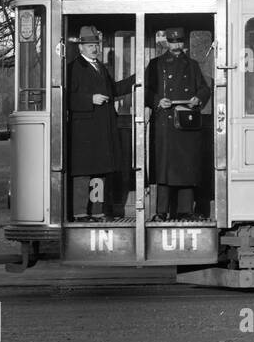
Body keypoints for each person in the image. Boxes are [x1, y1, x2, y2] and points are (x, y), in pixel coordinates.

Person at [67, 26, 135, 220]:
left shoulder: (100, 67)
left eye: (96, 45)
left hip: (101, 128)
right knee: (83, 172)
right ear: (81, 48)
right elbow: (64, 98)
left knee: (100, 171)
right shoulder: (73, 68)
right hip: (84, 131)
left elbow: (112, 90)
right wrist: (90, 99)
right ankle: (80, 213)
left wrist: (136, 79)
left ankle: (97, 212)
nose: (94, 49)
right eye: (89, 46)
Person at [145, 26, 211, 221]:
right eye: (173, 42)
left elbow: (204, 89)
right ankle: (161, 212)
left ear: (184, 43)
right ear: (167, 42)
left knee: (186, 168)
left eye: (180, 42)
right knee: (165, 171)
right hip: (165, 125)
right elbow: (146, 91)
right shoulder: (155, 64)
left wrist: (197, 99)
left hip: (186, 124)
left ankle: (185, 211)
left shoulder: (192, 65)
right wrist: (158, 100)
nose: (177, 45)